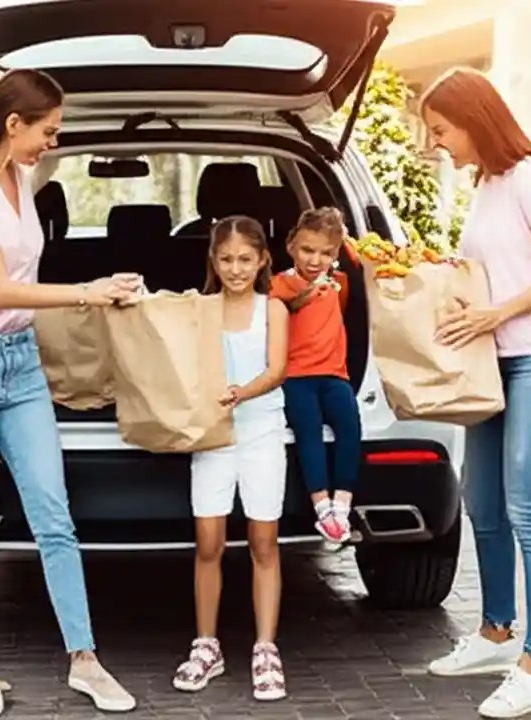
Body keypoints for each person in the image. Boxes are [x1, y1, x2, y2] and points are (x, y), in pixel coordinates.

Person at [0, 68, 140, 718]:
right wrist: (87, 292)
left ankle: (86, 662)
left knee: (55, 519)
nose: (53, 142)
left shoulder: (20, 177)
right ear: (13, 124)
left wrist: (105, 288)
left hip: (20, 365)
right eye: (48, 130)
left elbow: (22, 280)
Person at [421, 67, 531, 718]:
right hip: (493, 367)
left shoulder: (526, 176)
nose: (437, 143)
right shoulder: (486, 185)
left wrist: (499, 314)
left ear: (474, 119)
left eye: (441, 130)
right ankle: (496, 633)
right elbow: (499, 268)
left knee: (530, 512)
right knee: (482, 505)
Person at [171, 215, 290, 702]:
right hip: (213, 437)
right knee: (208, 542)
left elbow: (278, 369)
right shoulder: (200, 308)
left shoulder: (273, 310)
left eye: (245, 259)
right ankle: (207, 646)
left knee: (264, 542)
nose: (235, 269)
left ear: (263, 259)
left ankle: (265, 648)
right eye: (226, 260)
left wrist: (241, 393)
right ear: (212, 262)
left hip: (261, 433)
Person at [268, 207, 362, 547]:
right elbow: (286, 309)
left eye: (326, 253)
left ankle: (342, 506)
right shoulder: (280, 284)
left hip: (335, 375)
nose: (315, 260)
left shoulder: (341, 284)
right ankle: (321, 507)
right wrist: (306, 293)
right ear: (291, 245)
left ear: (335, 255)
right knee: (309, 434)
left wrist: (345, 243)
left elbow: (358, 261)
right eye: (308, 250)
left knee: (350, 429)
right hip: (296, 377)